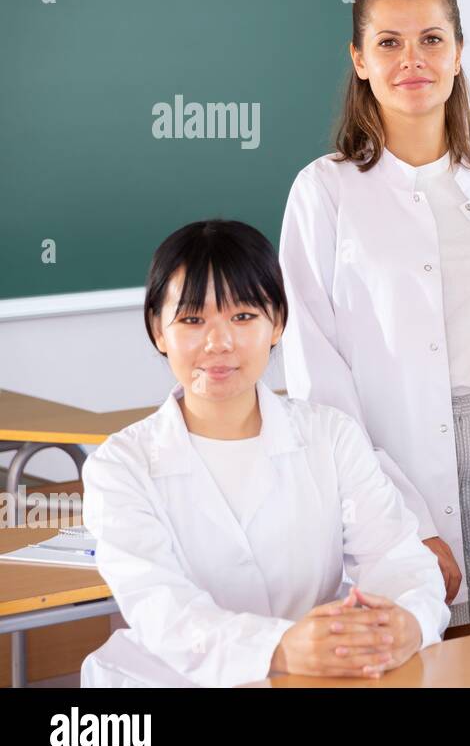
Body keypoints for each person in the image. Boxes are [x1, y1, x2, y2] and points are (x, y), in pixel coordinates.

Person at [279, 0, 470, 637]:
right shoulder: (324, 192)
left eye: (432, 40)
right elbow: (317, 378)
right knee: (422, 657)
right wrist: (402, 519)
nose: (412, 60)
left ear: (460, 52)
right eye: (388, 42)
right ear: (359, 59)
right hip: (389, 463)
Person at [81, 219, 447, 687]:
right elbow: (162, 609)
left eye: (244, 317)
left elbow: (396, 557)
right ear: (158, 330)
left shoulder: (331, 436)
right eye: (192, 320)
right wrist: (280, 647)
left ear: (277, 324)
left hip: (319, 674)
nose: (219, 343)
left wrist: (407, 623)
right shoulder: (121, 466)